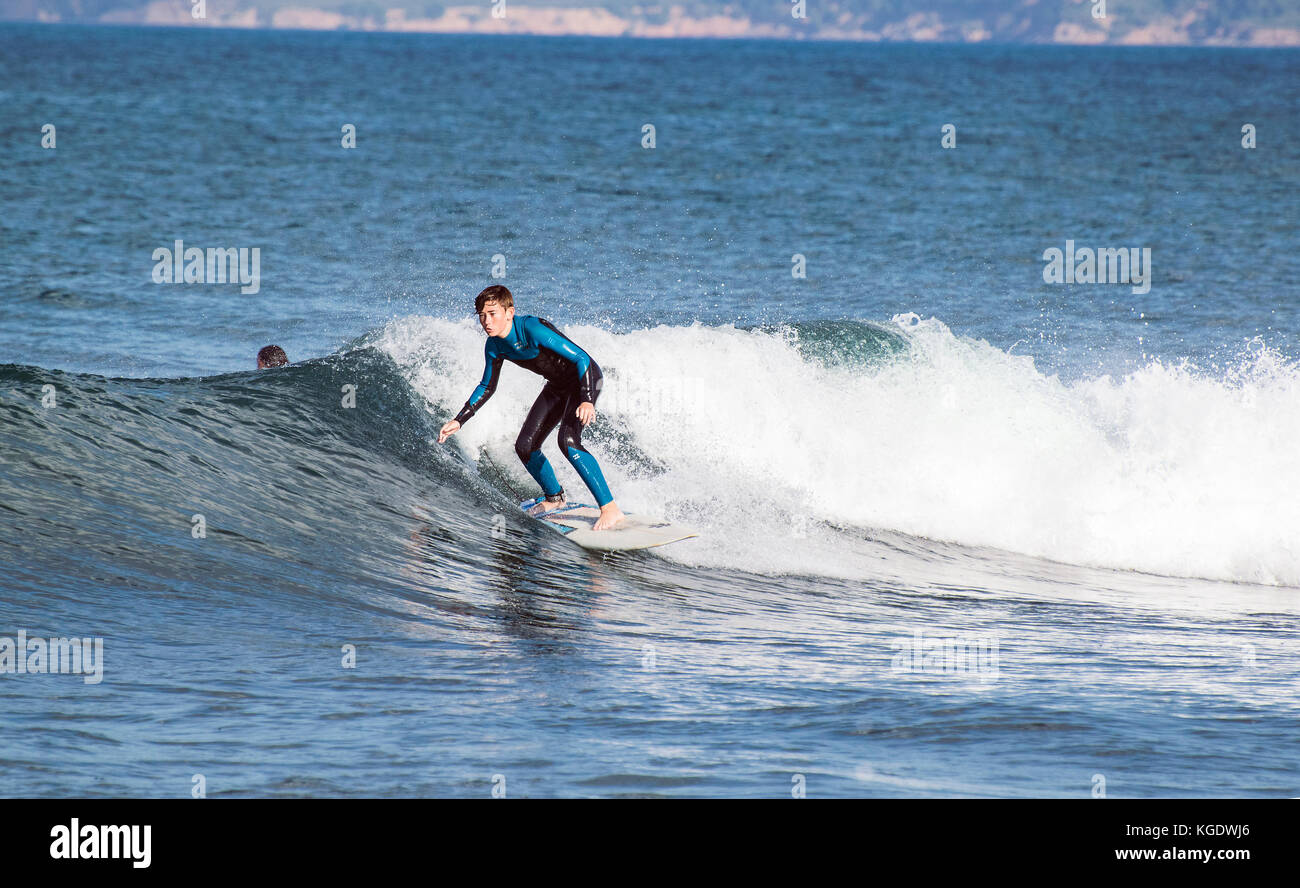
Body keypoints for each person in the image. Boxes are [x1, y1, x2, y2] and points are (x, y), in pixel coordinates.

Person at [438, 285, 626, 531]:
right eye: (482, 315)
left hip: (584, 379)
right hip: (558, 386)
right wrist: (459, 419)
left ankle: (610, 509)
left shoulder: (531, 329)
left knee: (567, 440)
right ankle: (554, 498)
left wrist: (587, 398)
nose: (486, 321)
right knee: (525, 447)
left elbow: (583, 359)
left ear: (510, 312)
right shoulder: (494, 346)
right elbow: (487, 386)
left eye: (492, 313)